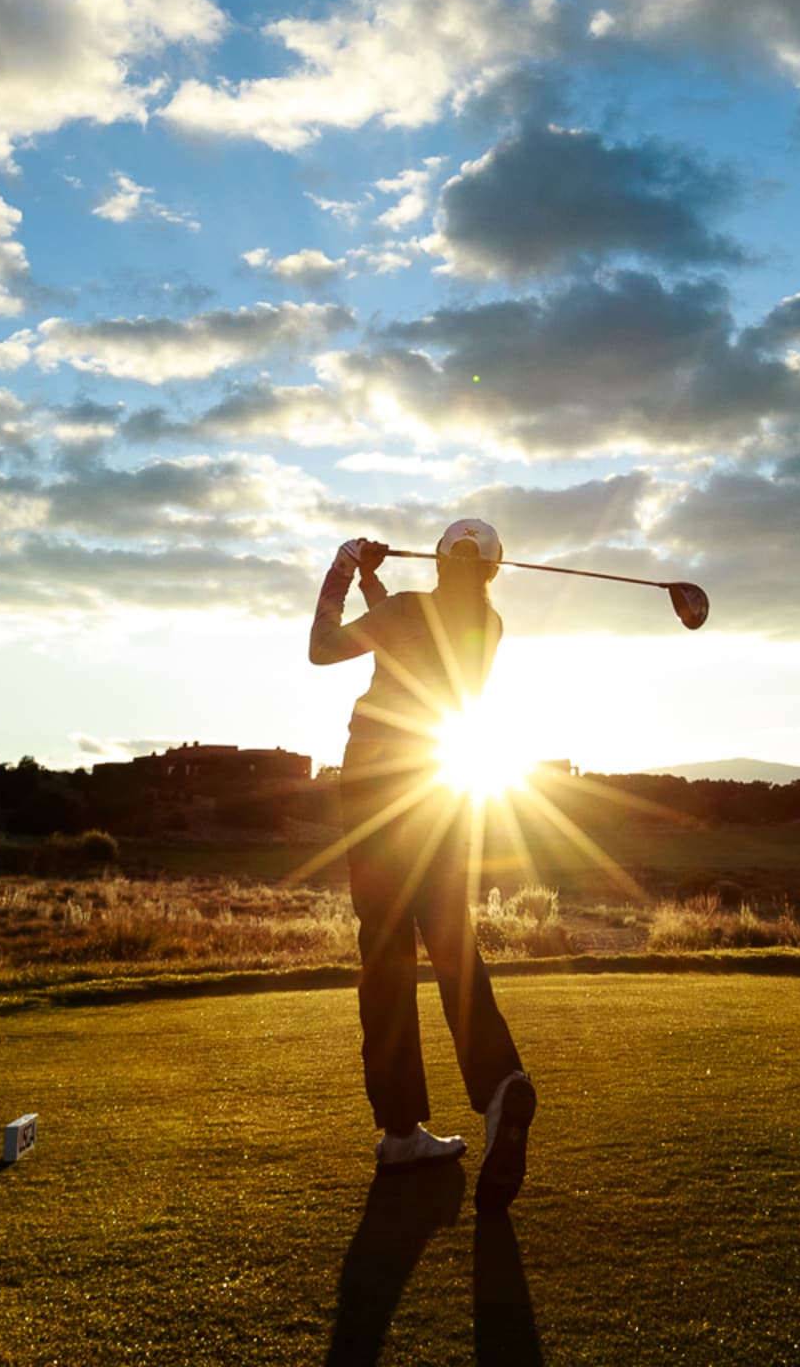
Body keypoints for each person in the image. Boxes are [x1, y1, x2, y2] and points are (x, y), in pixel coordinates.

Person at [309, 518, 539, 1211]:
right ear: (491, 575)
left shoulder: (410, 610)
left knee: (384, 948)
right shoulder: (489, 627)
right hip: (440, 785)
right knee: (447, 936)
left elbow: (325, 648)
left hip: (378, 783)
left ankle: (402, 1129)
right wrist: (379, 583)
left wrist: (345, 566)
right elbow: (409, 628)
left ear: (439, 562)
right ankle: (500, 1088)